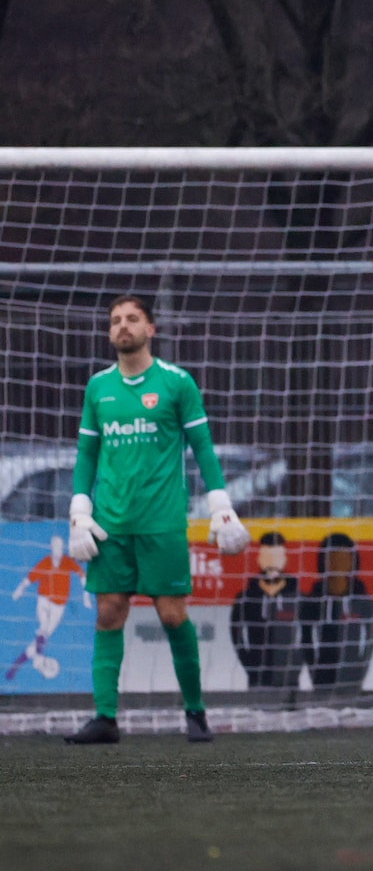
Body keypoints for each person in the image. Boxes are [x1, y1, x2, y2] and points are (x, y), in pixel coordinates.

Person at [64, 294, 251, 744]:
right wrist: (78, 509)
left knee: (171, 615)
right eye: (115, 321)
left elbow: (203, 448)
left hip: (162, 523)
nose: (122, 327)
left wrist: (220, 505)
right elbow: (87, 453)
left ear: (151, 329)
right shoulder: (98, 388)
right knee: (109, 612)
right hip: (110, 523)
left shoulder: (176, 383)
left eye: (132, 319)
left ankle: (195, 712)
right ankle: (105, 718)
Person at [300, 532, 373, 695]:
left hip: (352, 672)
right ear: (324, 562)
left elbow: (369, 638)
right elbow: (306, 639)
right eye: (333, 558)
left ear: (352, 562)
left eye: (343, 558)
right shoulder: (313, 600)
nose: (337, 564)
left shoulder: (362, 600)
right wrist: (314, 670)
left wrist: (361, 669)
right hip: (323, 672)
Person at [7, 534, 91, 681]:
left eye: (60, 547)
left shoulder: (67, 562)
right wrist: (19, 590)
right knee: (43, 626)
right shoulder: (45, 562)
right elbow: (31, 577)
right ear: (52, 548)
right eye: (56, 547)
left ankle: (19, 664)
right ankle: (36, 660)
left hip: (59, 606)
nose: (58, 550)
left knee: (42, 637)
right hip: (44, 600)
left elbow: (82, 575)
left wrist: (86, 596)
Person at [229, 530, 304, 690]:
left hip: (288, 676)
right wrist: (248, 662)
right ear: (259, 559)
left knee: (291, 714)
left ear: (284, 559)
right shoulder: (245, 598)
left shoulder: (299, 597)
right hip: (257, 675)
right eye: (267, 556)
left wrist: (296, 663)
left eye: (276, 557)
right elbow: (236, 633)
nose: (271, 562)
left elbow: (307, 633)